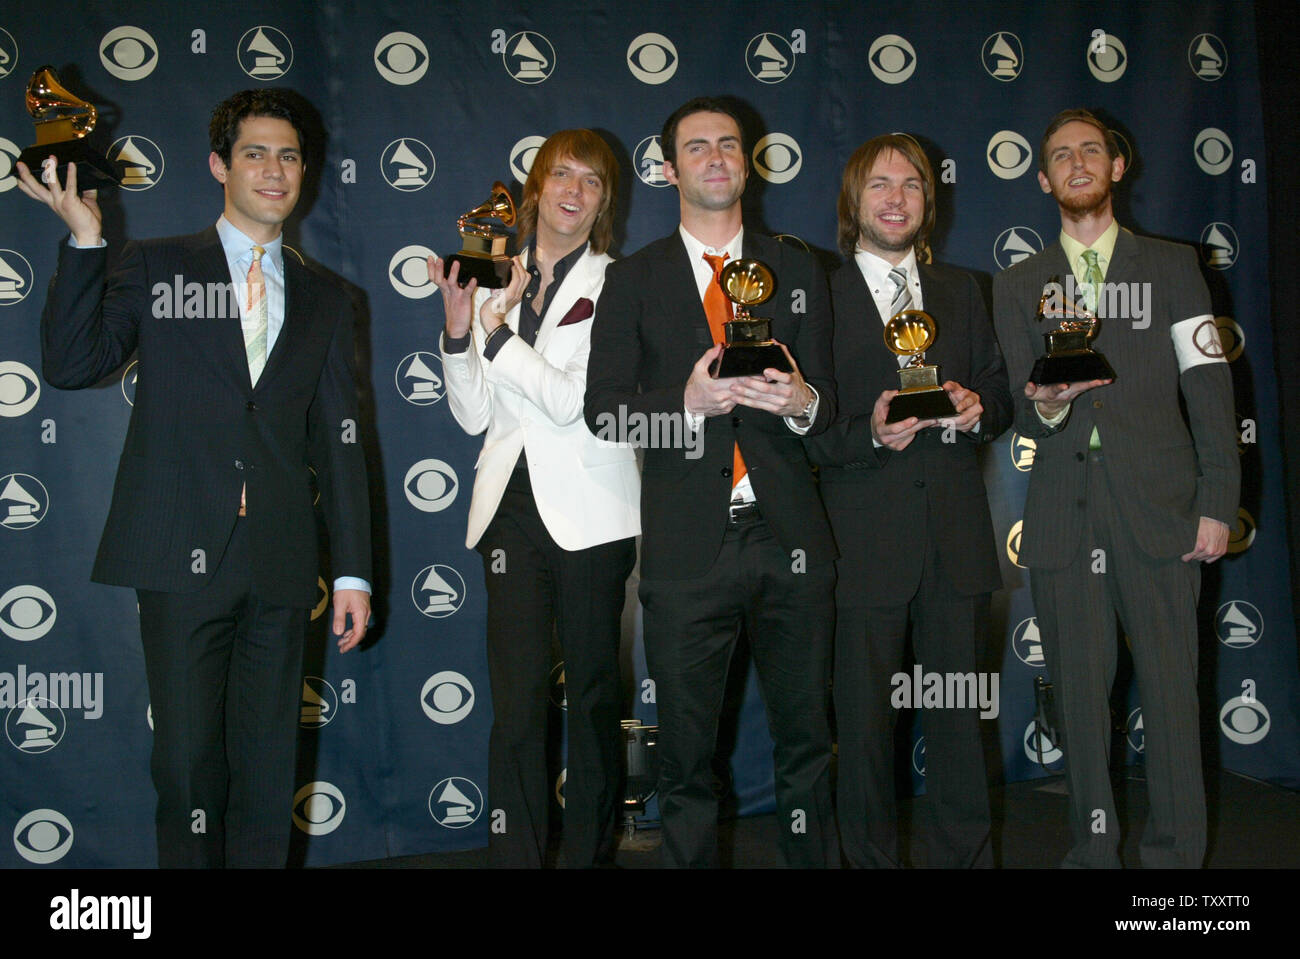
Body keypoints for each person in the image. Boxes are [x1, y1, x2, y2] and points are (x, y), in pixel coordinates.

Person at [16, 90, 372, 868]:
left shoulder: (329, 298)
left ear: (304, 171)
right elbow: (74, 364)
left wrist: (351, 569)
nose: (273, 170)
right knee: (185, 769)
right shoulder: (154, 263)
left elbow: (341, 444)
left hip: (280, 561)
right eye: (254, 153)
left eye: (288, 156)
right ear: (219, 165)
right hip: (179, 551)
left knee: (267, 768)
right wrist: (84, 240)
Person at [584, 96, 838, 868]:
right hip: (688, 550)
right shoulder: (631, 278)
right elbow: (606, 415)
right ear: (668, 169)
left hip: (791, 538)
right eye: (697, 147)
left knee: (808, 746)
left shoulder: (800, 265)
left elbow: (833, 406)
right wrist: (686, 404)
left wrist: (803, 403)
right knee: (688, 762)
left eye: (729, 144)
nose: (716, 158)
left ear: (748, 160)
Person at [992, 108, 1238, 868]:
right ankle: (1092, 852)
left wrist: (1217, 503)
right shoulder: (1018, 284)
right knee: (1080, 704)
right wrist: (1048, 407)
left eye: (1089, 150)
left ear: (1116, 166)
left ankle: (1174, 861)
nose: (1076, 162)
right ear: (1041, 179)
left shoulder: (1173, 266)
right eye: (1060, 155)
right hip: (1063, 516)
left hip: (1161, 512)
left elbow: (1209, 390)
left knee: (1171, 696)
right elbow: (1018, 402)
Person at [430, 130, 638, 868]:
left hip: (592, 511)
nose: (573, 190)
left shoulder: (621, 282)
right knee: (515, 704)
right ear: (534, 189)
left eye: (591, 179)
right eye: (560, 175)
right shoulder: (493, 275)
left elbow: (571, 403)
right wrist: (460, 329)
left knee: (590, 696)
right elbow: (473, 415)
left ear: (605, 200)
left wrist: (491, 331)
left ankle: (587, 856)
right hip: (509, 511)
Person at [808, 134, 1011, 867]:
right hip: (862, 547)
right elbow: (804, 427)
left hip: (954, 544)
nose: (896, 198)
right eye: (880, 184)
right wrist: (867, 434)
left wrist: (975, 407)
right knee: (863, 731)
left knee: (959, 721)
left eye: (912, 185)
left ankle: (968, 857)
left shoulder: (962, 289)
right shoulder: (819, 294)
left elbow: (1001, 393)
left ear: (930, 202)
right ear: (853, 201)